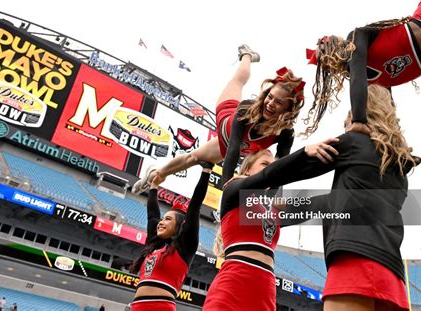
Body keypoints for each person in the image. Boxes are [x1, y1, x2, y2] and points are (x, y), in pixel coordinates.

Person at [227, 85, 419, 310]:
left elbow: (291, 172)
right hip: (392, 276)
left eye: (346, 121)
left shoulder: (354, 141)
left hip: (354, 263)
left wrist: (304, 151)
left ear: (359, 116)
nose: (344, 128)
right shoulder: (398, 168)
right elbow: (320, 205)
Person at [132, 44, 305, 194]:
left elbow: (280, 169)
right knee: (237, 82)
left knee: (192, 158)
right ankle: (247, 55)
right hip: (227, 119)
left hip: (230, 144)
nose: (270, 103)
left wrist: (270, 200)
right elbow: (234, 147)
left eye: (278, 102)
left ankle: (156, 174)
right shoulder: (247, 108)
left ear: (288, 109)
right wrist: (227, 185)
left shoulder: (285, 133)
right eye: (270, 97)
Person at [304, 0, 421, 136]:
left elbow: (356, 78)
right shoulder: (369, 81)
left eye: (326, 54)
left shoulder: (356, 38)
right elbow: (389, 110)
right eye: (326, 68)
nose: (329, 67)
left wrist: (358, 121)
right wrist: (398, 143)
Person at [129, 161, 213, 311]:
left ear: (180, 226)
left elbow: (195, 206)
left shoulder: (184, 248)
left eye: (168, 219)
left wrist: (206, 170)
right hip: (136, 307)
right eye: (162, 219)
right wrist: (154, 186)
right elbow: (152, 216)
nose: (161, 222)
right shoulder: (154, 246)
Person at [203, 149, 280, 310]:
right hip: (232, 288)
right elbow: (233, 147)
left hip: (265, 293)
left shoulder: (271, 208)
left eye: (273, 166)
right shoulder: (233, 191)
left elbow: (320, 205)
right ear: (247, 170)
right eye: (264, 164)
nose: (270, 169)